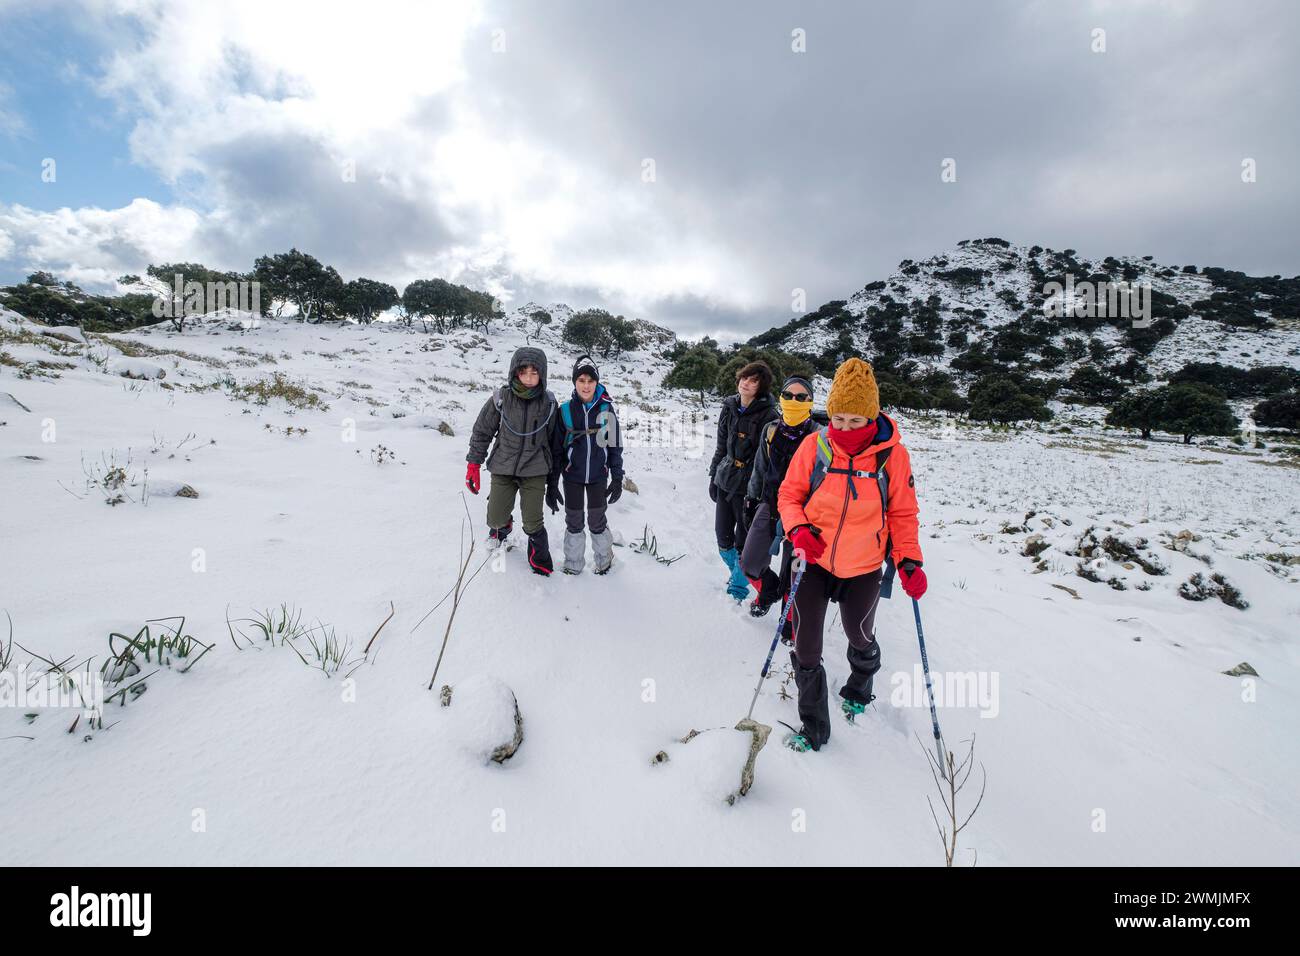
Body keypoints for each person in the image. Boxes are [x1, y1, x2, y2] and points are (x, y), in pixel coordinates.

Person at [776, 357, 927, 752]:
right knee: (806, 646)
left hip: (863, 567)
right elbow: (789, 495)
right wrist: (799, 530)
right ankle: (814, 727)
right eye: (838, 419)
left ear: (872, 416)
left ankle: (860, 687)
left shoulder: (892, 456)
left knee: (859, 634)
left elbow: (902, 514)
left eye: (854, 421)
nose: (843, 428)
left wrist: (908, 561)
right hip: (811, 561)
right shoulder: (816, 445)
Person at [740, 374, 827, 634]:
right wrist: (751, 499)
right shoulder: (772, 430)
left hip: (804, 514)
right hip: (771, 503)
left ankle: (789, 623)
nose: (793, 401)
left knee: (795, 571)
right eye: (788, 395)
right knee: (750, 562)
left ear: (810, 402)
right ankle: (768, 590)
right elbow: (760, 468)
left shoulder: (819, 437)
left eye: (801, 397)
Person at [465, 346, 563, 575]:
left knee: (533, 523)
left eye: (534, 373)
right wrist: (473, 465)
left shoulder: (549, 403)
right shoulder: (501, 399)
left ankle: (539, 557)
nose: (529, 378)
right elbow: (482, 432)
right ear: (515, 373)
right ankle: (502, 528)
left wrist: (553, 479)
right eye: (523, 372)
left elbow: (553, 443)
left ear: (542, 374)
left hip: (535, 469)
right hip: (503, 465)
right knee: (495, 518)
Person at [709, 361, 779, 601]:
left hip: (750, 487)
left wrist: (761, 493)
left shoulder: (770, 415)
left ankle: (736, 592)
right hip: (725, 478)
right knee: (723, 539)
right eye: (744, 378)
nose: (745, 383)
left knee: (743, 544)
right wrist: (713, 475)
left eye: (753, 380)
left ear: (762, 386)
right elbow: (721, 445)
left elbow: (767, 458)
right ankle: (747, 576)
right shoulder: (729, 406)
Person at [551, 354, 624, 575]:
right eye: (581, 380)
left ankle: (604, 561)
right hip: (572, 476)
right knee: (574, 520)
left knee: (597, 520)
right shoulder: (564, 411)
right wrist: (552, 483)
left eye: (590, 381)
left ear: (597, 382)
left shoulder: (607, 410)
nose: (586, 385)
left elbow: (614, 446)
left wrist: (617, 476)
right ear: (574, 382)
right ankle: (573, 565)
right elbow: (556, 451)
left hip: (598, 477)